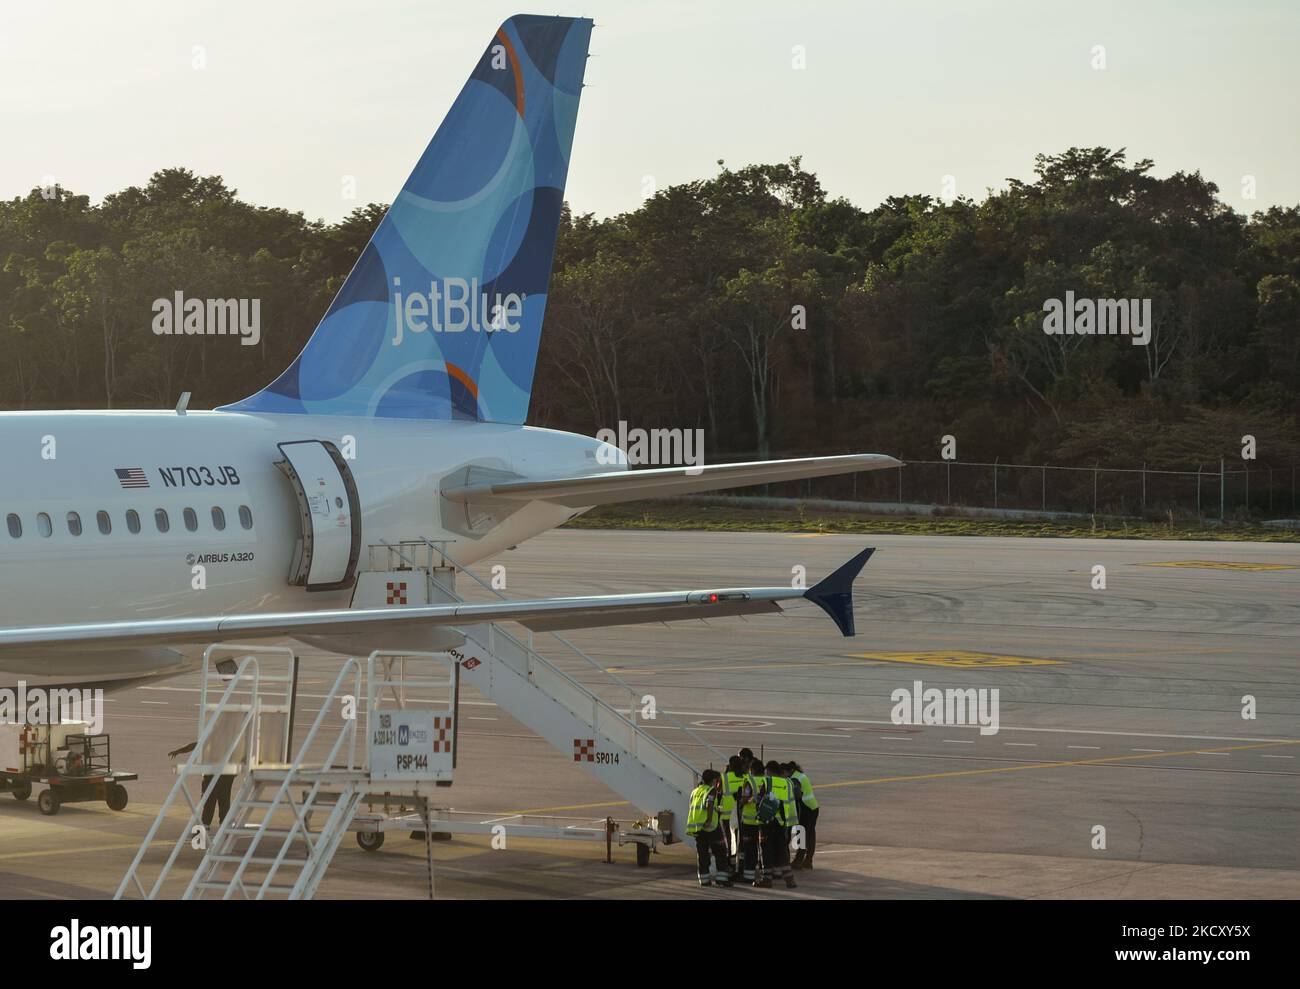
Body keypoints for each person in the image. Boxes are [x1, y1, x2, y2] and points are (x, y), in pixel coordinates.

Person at [169, 740, 235, 831]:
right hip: (225, 773)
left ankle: (208, 824)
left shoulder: (212, 738)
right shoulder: (228, 738)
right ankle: (222, 825)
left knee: (211, 799)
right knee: (223, 800)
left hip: (215, 773)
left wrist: (179, 751)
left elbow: (196, 745)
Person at [685, 770, 732, 888]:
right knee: (720, 851)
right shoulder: (711, 790)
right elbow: (709, 803)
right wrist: (710, 819)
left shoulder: (695, 791)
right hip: (711, 827)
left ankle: (704, 879)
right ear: (713, 780)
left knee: (702, 853)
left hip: (697, 827)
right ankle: (721, 878)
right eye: (716, 780)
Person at [762, 760, 798, 888]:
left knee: (767, 850)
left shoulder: (768, 782)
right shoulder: (788, 782)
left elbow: (762, 800)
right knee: (782, 850)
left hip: (770, 821)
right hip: (784, 821)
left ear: (770, 771)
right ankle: (790, 879)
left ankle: (767, 879)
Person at [737, 758, 771, 887]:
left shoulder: (749, 781)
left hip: (749, 821)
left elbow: (745, 798)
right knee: (764, 848)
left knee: (750, 849)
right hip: (762, 819)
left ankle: (748, 876)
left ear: (752, 770)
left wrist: (741, 802)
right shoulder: (767, 781)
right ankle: (766, 874)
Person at [788, 760, 819, 869]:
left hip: (805, 808)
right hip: (813, 807)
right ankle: (808, 860)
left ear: (791, 770)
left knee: (801, 833)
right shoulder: (800, 775)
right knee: (810, 834)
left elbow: (795, 796)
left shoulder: (794, 779)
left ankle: (799, 860)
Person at [718, 756, 746, 874]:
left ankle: (730, 865)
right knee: (741, 842)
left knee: (729, 842)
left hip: (727, 815)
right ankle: (741, 866)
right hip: (742, 814)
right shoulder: (746, 777)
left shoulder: (724, 777)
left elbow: (718, 792)